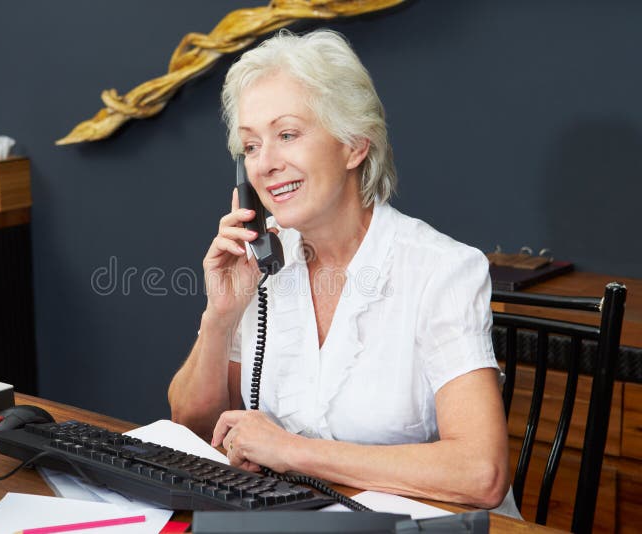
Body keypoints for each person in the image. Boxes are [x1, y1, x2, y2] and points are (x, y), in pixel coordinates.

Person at [168, 29, 519, 515]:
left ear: (355, 145)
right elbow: (191, 423)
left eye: (287, 135)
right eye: (251, 146)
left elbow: (482, 474)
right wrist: (220, 315)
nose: (264, 165)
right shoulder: (262, 263)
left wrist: (293, 452)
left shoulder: (441, 269)